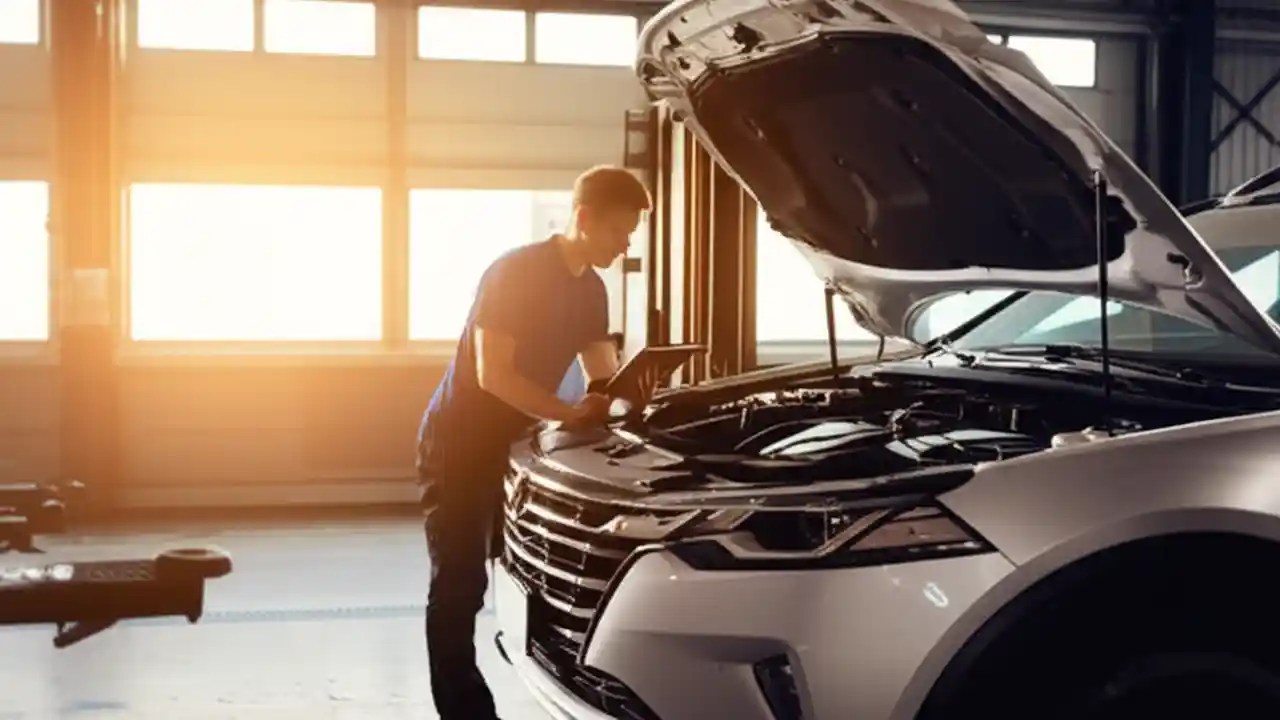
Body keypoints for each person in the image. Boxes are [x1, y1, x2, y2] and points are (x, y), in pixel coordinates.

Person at [415, 166, 653, 720]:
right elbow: (492, 373)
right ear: (584, 217)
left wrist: (626, 398)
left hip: (518, 447)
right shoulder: (514, 273)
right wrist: (569, 412)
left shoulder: (592, 288)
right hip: (459, 445)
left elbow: (602, 371)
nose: (625, 245)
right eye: (619, 231)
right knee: (459, 585)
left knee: (528, 567)